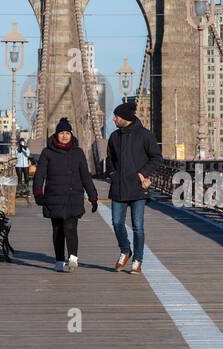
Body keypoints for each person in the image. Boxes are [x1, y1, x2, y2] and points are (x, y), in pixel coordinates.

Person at [32, 118, 99, 272]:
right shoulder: (47, 152)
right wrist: (38, 193)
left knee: (70, 227)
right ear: (56, 135)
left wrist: (93, 196)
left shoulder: (78, 153)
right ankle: (59, 260)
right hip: (53, 197)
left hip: (72, 197)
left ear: (71, 135)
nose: (64, 136)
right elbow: (40, 175)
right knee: (57, 230)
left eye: (67, 133)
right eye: (61, 133)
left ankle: (73, 258)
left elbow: (85, 177)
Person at [106, 101, 162, 275]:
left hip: (138, 187)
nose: (113, 119)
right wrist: (113, 174)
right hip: (119, 187)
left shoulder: (145, 135)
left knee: (138, 226)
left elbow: (156, 157)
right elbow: (110, 160)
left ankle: (137, 259)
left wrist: (143, 173)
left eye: (116, 116)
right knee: (116, 222)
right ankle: (125, 250)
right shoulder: (114, 137)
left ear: (126, 118)